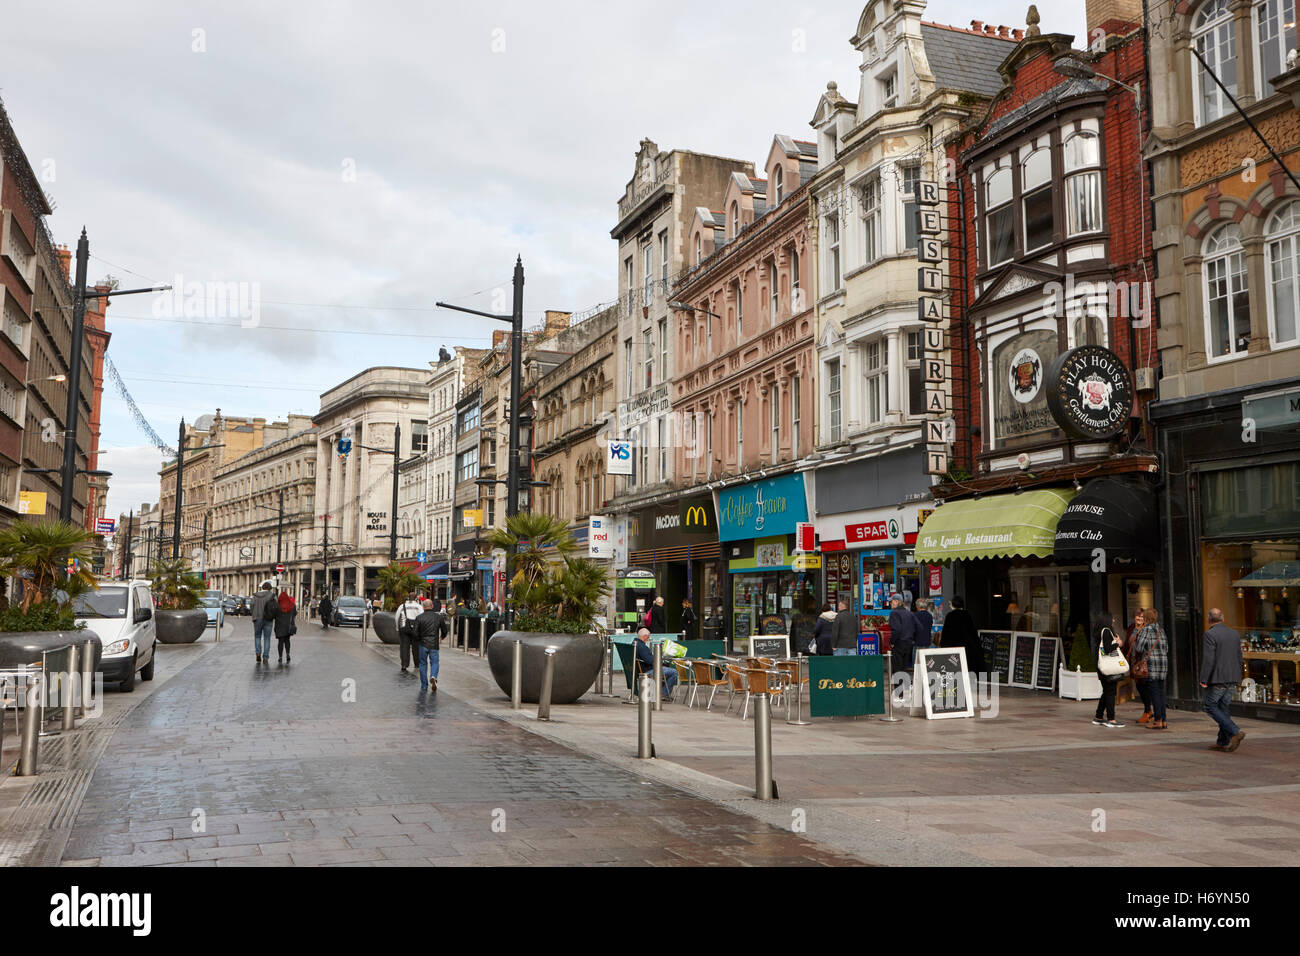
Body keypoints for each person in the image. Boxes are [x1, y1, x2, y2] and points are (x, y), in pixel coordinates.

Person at [1200, 607, 1246, 752]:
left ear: (1208, 620)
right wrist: (1238, 675)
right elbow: (1239, 657)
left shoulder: (1210, 634)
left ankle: (1234, 731)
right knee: (1223, 708)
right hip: (1232, 676)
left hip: (1218, 678)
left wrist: (1203, 678)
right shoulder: (1234, 633)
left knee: (1209, 706)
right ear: (1223, 619)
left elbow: (1209, 659)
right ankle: (1222, 741)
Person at [1133, 607, 1169, 729]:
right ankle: (1163, 720)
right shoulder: (1161, 630)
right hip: (1163, 665)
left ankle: (1158, 720)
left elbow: (1139, 648)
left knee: (1154, 693)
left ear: (1146, 618)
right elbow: (1166, 648)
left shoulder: (1146, 630)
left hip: (1151, 665)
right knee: (1161, 693)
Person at [1091, 612, 1126, 728]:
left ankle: (1099, 716)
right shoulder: (1106, 631)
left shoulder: (1099, 632)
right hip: (1108, 667)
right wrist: (1118, 644)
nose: (1114, 621)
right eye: (1112, 619)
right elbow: (1107, 649)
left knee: (1106, 691)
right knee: (1110, 692)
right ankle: (1111, 719)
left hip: (1102, 666)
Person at [940, 596, 983, 672]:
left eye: (950, 604)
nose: (949, 605)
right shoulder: (967, 614)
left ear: (954, 604)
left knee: (954, 667)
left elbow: (946, 632)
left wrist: (943, 644)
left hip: (953, 645)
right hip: (966, 645)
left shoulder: (950, 615)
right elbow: (972, 630)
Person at [1125, 609, 1153, 723]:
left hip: (1143, 663)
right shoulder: (1131, 627)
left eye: (1141, 616)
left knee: (1144, 687)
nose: (1139, 618)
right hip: (1133, 662)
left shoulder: (1146, 629)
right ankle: (1148, 711)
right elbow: (1128, 643)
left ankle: (1148, 711)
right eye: (1137, 616)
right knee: (1139, 687)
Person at [634, 627, 677, 700]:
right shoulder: (642, 647)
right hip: (647, 671)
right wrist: (659, 659)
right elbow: (650, 661)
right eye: (648, 637)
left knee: (666, 670)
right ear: (644, 636)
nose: (648, 639)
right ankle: (663, 694)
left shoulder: (634, 644)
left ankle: (660, 692)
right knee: (674, 672)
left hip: (639, 670)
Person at [415, 599, 443, 692]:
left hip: (423, 644)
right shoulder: (438, 617)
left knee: (423, 664)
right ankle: (433, 676)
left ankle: (424, 685)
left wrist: (419, 639)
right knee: (434, 662)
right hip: (434, 643)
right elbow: (444, 629)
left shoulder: (419, 617)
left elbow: (415, 632)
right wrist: (442, 636)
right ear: (432, 606)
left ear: (423, 607)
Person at [888, 594, 918, 669]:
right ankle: (904, 681)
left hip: (899, 643)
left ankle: (899, 681)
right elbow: (918, 627)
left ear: (896, 602)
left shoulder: (894, 613)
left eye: (891, 602)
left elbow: (896, 630)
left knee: (897, 667)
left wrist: (892, 642)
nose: (890, 604)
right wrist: (912, 639)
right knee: (904, 667)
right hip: (908, 643)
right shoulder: (909, 613)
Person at [396, 593, 424, 673]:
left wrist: (397, 628)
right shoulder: (419, 607)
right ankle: (417, 664)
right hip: (416, 628)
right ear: (416, 599)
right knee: (416, 647)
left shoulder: (402, 606)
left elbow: (397, 617)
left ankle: (404, 665)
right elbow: (422, 618)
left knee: (404, 647)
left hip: (404, 628)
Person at [250, 582, 276, 664]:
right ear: (270, 588)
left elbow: (251, 605)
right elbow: (276, 606)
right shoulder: (272, 596)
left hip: (257, 618)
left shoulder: (255, 596)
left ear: (262, 587)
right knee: (267, 638)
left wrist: (253, 614)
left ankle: (258, 653)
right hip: (268, 619)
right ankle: (265, 657)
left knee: (257, 636)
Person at [273, 589, 297, 663]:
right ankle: (288, 654)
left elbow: (274, 615)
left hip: (279, 626)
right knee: (287, 640)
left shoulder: (277, 605)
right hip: (288, 626)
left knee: (280, 641)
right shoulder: (292, 605)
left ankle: (280, 656)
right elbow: (295, 613)